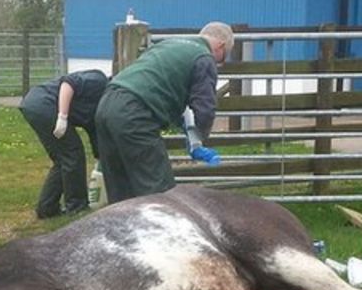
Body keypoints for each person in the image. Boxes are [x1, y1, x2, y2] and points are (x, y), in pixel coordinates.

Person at [94, 22, 233, 204]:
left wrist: (186, 127)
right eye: (223, 58)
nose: (220, 63)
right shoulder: (204, 57)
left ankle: (121, 222)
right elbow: (205, 108)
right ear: (221, 46)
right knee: (158, 191)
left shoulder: (168, 44)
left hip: (106, 103)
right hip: (134, 112)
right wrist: (199, 140)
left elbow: (159, 84)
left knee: (121, 191)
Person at [19, 70, 109, 218]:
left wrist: (101, 160)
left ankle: (47, 208)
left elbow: (95, 137)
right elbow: (68, 84)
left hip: (35, 105)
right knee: (72, 155)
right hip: (44, 102)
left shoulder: (99, 110)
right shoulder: (99, 80)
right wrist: (62, 116)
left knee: (63, 159)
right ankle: (77, 207)